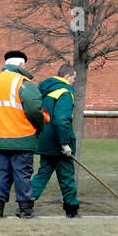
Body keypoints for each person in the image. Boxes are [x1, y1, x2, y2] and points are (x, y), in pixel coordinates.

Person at [0, 50, 46, 219]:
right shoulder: (23, 83)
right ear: (21, 65)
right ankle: (25, 210)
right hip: (22, 137)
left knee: (2, 173)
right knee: (22, 174)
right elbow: (34, 109)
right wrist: (39, 127)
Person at [31, 63, 79, 218]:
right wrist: (65, 143)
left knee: (43, 173)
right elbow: (61, 119)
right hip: (59, 142)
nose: (73, 81)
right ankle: (71, 210)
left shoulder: (44, 91)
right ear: (67, 76)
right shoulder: (65, 92)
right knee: (66, 176)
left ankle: (26, 203)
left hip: (45, 140)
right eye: (73, 78)